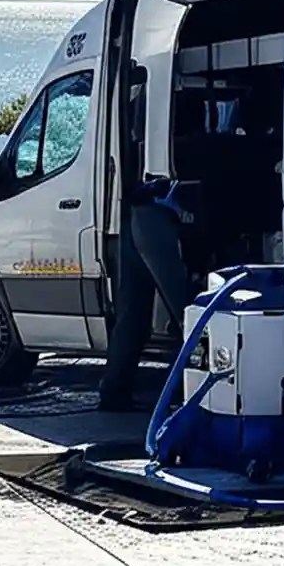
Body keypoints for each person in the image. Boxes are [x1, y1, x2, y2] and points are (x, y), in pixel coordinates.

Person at [98, 175, 194, 412]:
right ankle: (195, 395)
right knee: (188, 316)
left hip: (137, 212)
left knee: (132, 314)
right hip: (159, 214)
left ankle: (113, 393)